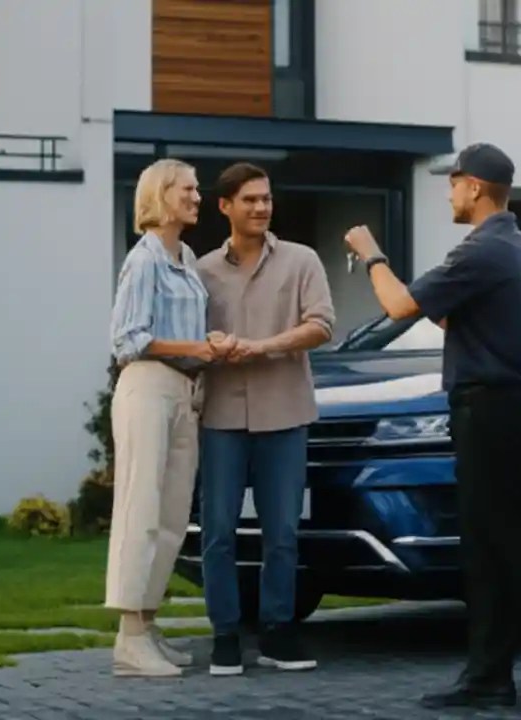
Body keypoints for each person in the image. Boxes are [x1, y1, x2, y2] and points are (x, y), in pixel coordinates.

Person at [343, 143, 521, 715]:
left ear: (476, 188)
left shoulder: (482, 250)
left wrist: (372, 254)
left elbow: (402, 307)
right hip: (503, 407)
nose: (449, 193)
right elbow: (453, 313)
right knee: (485, 549)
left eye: (453, 183)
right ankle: (488, 675)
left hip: (491, 411)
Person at [195, 162, 336, 677]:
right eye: (249, 199)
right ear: (224, 206)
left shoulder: (302, 261)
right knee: (218, 532)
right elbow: (190, 336)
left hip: (285, 414)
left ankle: (278, 632)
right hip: (222, 416)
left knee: (282, 532)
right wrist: (209, 344)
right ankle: (226, 636)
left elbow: (320, 325)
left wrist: (262, 347)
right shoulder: (203, 271)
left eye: (266, 199)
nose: (260, 207)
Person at [106, 158, 238, 677]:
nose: (197, 196)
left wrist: (205, 354)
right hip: (148, 388)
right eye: (188, 188)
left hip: (185, 393)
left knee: (171, 517)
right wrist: (199, 347)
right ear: (161, 195)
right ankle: (128, 637)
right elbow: (127, 340)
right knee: (140, 511)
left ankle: (146, 624)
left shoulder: (183, 257)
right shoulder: (144, 261)